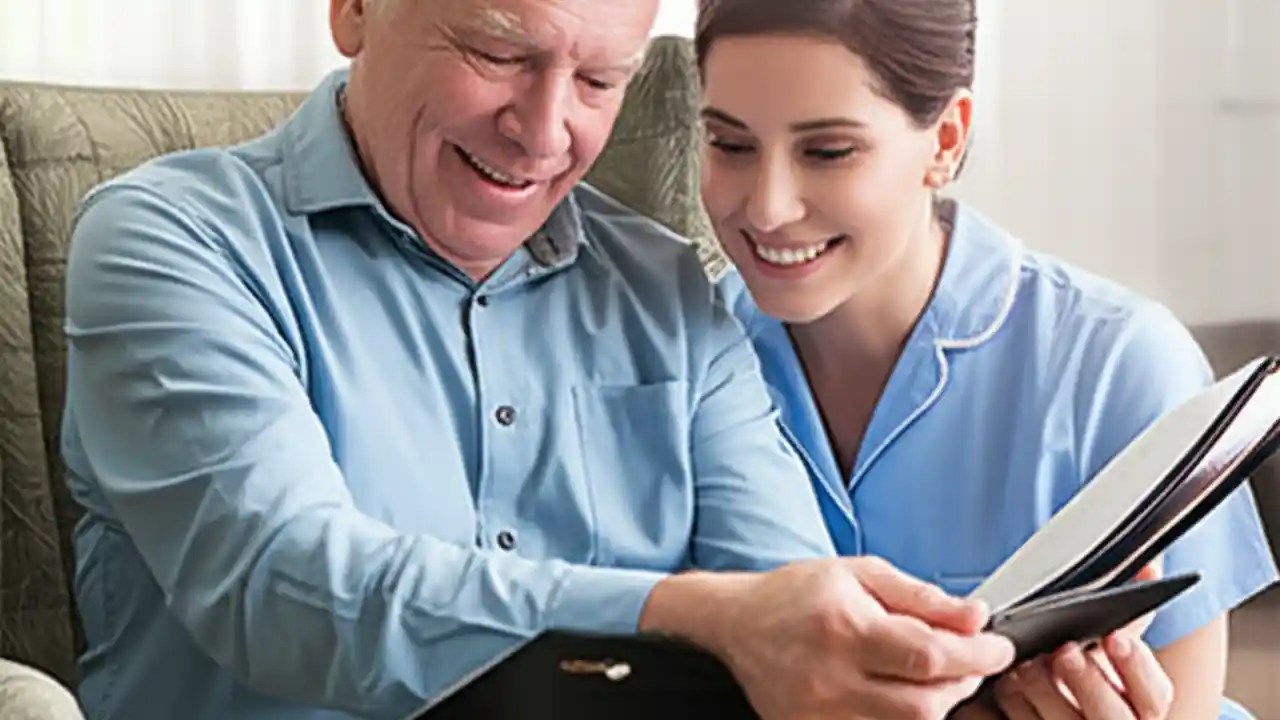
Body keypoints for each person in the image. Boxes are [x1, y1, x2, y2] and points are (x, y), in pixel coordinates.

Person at [60, 0, 1017, 718]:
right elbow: (287, 585)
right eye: (497, 51)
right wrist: (698, 615)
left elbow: (793, 616)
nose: (546, 130)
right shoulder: (170, 241)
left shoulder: (670, 290)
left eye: (601, 82)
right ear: (354, 8)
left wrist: (963, 678)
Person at [695, 0, 1280, 718]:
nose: (768, 207)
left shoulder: (1118, 369)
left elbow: (1180, 702)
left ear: (946, 137)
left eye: (827, 152)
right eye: (730, 145)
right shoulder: (673, 361)